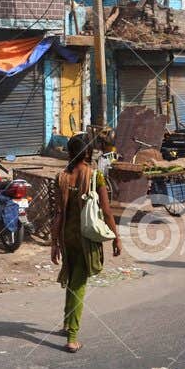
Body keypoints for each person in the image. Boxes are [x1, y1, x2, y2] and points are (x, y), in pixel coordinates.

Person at [51, 133, 121, 353]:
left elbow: (58, 214)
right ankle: (72, 337)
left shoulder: (61, 177)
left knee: (72, 279)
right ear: (88, 153)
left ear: (70, 153)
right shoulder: (95, 176)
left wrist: (54, 243)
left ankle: (66, 323)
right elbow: (106, 211)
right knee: (79, 285)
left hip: (66, 237)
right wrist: (116, 237)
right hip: (85, 238)